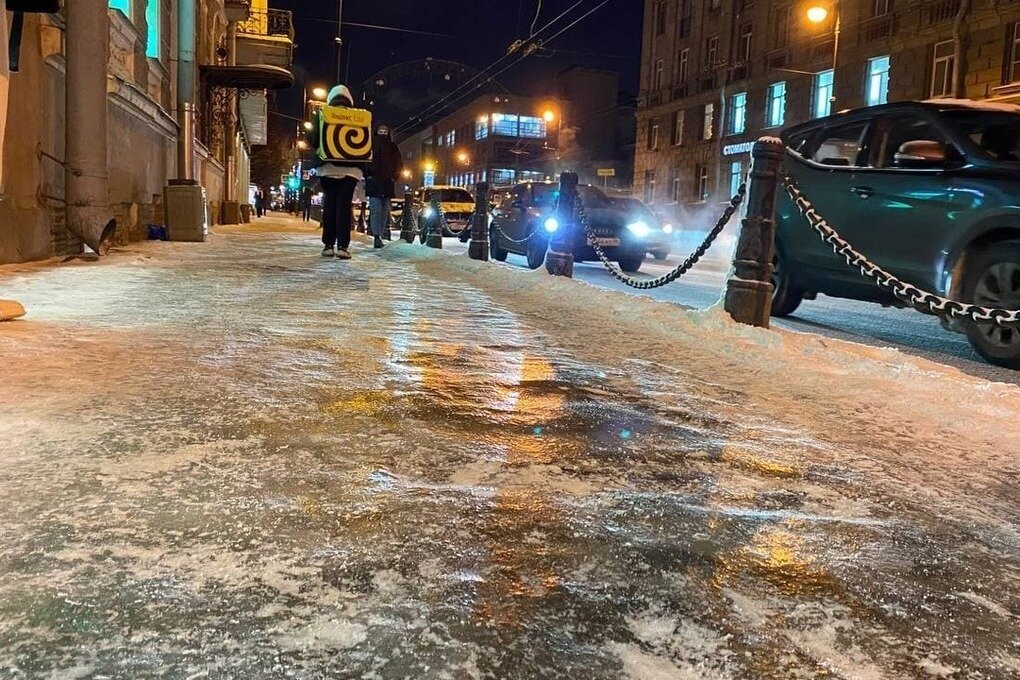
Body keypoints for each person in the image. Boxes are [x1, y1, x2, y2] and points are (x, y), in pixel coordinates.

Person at [308, 85, 365, 259]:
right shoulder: (358, 116)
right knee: (344, 206)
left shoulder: (323, 114)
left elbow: (313, 139)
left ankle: (328, 245)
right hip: (351, 169)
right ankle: (343, 246)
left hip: (327, 168)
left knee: (330, 205)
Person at [365, 125, 403, 248]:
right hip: (377, 182)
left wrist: (394, 176)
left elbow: (398, 164)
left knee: (383, 211)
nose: (382, 133)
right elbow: (364, 161)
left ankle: (378, 235)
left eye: (384, 131)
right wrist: (368, 175)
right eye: (380, 131)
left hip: (385, 183)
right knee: (377, 211)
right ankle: (377, 236)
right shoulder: (370, 145)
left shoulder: (392, 146)